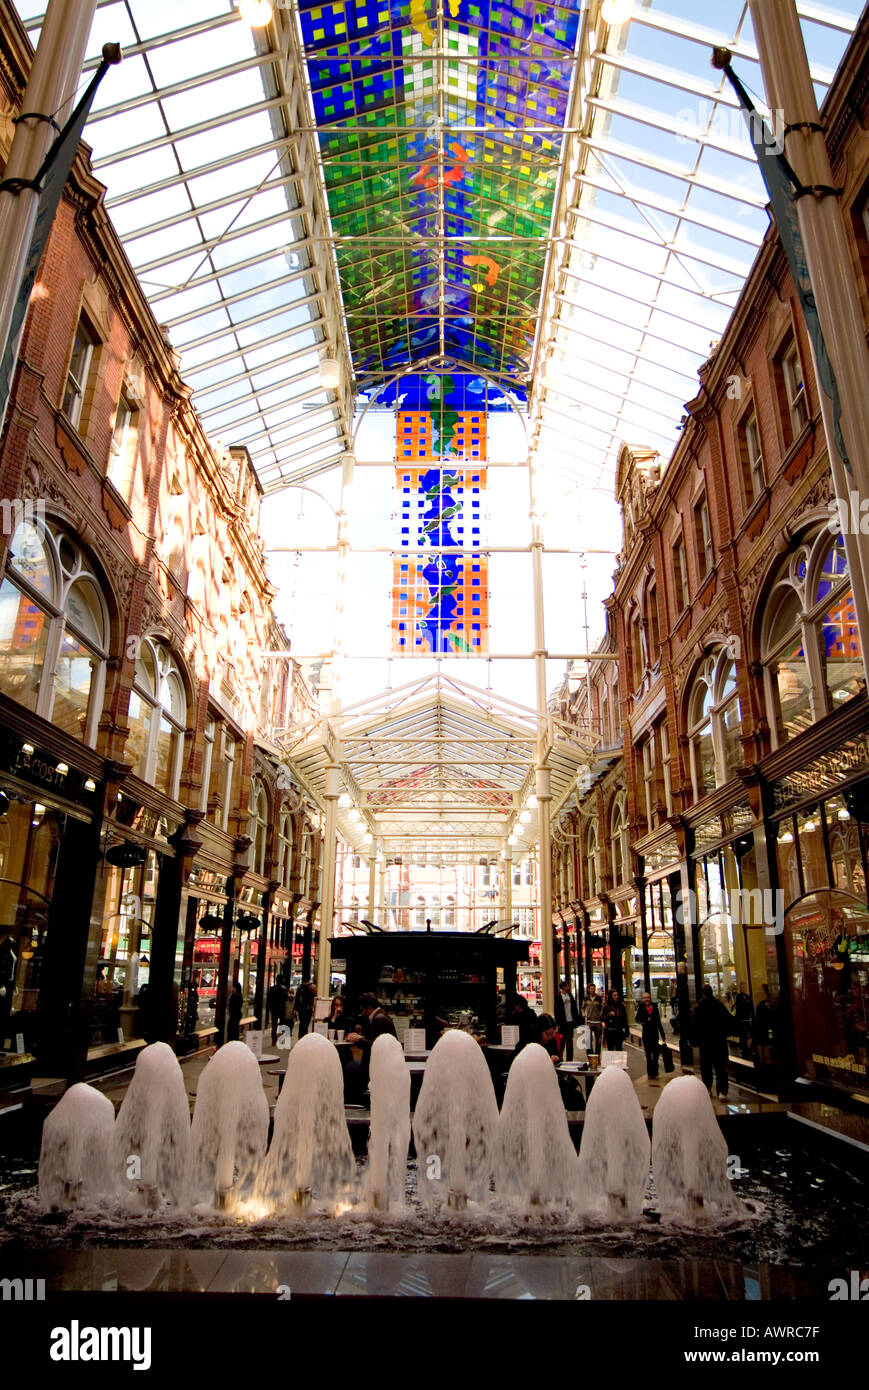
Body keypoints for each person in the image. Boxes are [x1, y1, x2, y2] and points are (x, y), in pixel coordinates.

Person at [692, 983, 732, 1099]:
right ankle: (722, 1091)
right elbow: (728, 1020)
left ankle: (708, 1088)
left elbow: (695, 1026)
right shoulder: (718, 1005)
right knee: (720, 1068)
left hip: (705, 1043)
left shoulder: (699, 1007)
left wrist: (695, 1040)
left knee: (706, 1067)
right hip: (719, 1042)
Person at [635, 991, 666, 1081]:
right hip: (646, 1034)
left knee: (655, 1054)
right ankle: (650, 1073)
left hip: (654, 1034)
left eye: (648, 998)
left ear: (650, 998)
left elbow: (658, 1022)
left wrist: (662, 1033)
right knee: (648, 1054)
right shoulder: (641, 1007)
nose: (646, 1000)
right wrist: (645, 1021)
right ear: (643, 999)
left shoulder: (655, 1007)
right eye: (645, 998)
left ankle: (655, 1072)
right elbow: (637, 1019)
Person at [554, 978, 580, 1060]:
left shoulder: (570, 996)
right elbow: (556, 1010)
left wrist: (576, 1019)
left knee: (570, 1040)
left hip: (570, 1021)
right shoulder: (558, 996)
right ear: (563, 987)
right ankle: (560, 1056)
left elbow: (574, 1008)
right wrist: (558, 1023)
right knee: (562, 1040)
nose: (568, 987)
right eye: (567, 986)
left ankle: (570, 1058)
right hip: (563, 1022)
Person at [266, 975, 288, 1047]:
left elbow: (269, 1000)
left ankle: (274, 1040)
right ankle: (281, 1039)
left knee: (274, 1025)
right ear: (282, 980)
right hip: (281, 1009)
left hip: (274, 1010)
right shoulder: (284, 989)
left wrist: (269, 1008)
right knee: (282, 1024)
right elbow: (285, 999)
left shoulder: (272, 989)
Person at [733, 983, 753, 1059]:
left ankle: (746, 1050)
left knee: (747, 1036)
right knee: (743, 1036)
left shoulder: (747, 997)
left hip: (746, 1019)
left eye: (745, 986)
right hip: (742, 1020)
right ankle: (744, 1051)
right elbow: (739, 1008)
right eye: (743, 987)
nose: (744, 988)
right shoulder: (739, 997)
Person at [583, 984, 603, 1057]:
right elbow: (582, 1007)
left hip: (598, 1022)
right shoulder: (586, 999)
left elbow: (602, 1008)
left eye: (594, 989)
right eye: (591, 989)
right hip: (589, 1022)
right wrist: (584, 1014)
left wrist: (600, 1016)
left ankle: (597, 1056)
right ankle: (590, 1055)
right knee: (588, 1041)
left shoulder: (599, 998)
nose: (593, 990)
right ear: (588, 989)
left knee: (598, 1041)